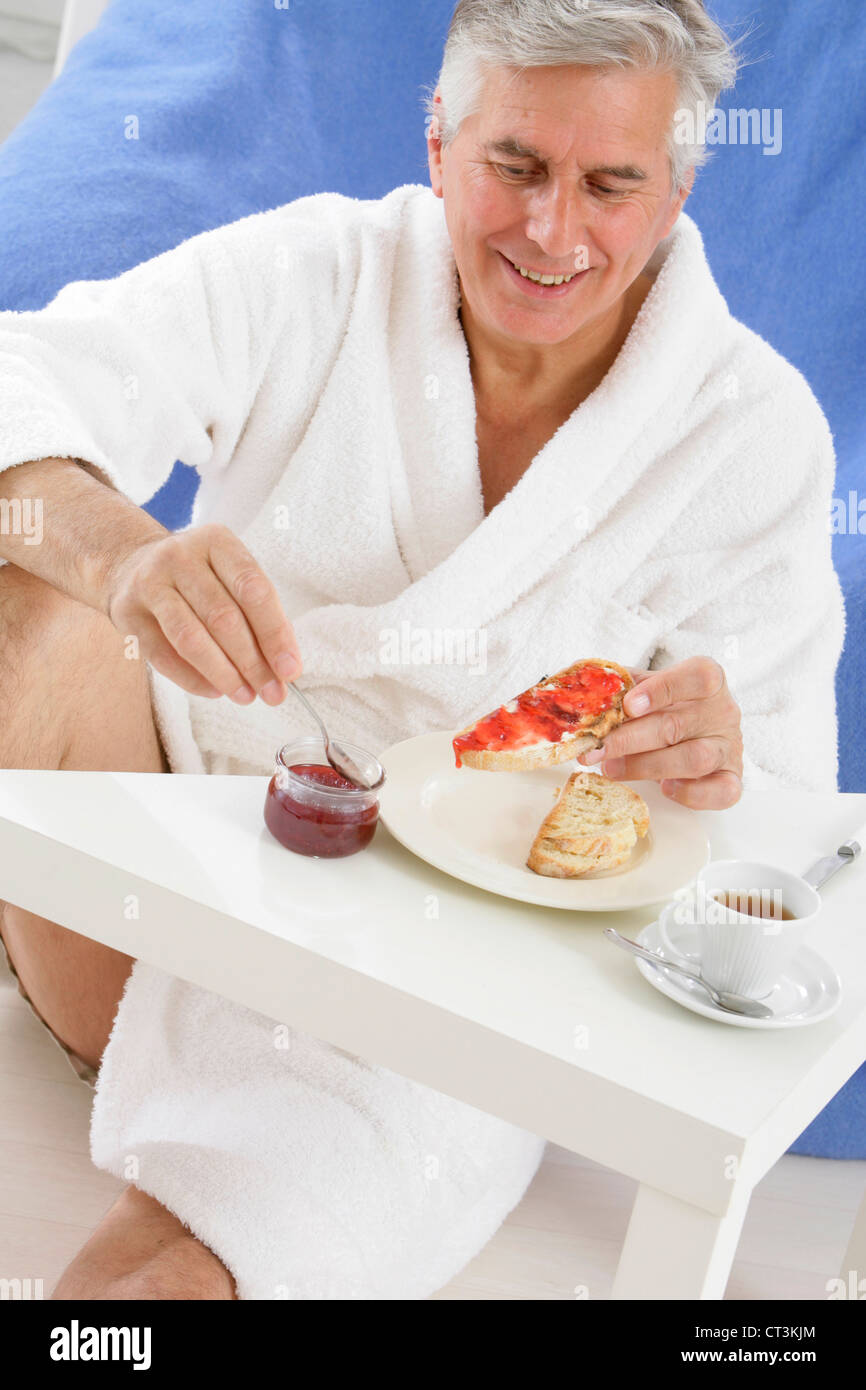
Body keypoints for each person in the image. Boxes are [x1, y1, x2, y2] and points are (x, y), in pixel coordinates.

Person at [0, 0, 843, 1298]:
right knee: (23, 583)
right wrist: (120, 557)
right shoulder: (318, 274)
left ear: (676, 184)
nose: (551, 232)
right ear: (439, 137)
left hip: (425, 1001)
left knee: (152, 1297)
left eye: (609, 183)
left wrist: (715, 774)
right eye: (514, 165)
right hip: (154, 850)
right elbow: (24, 386)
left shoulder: (750, 436)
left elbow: (790, 861)